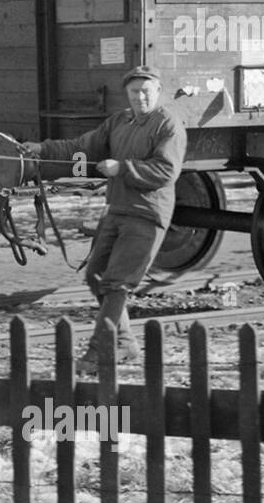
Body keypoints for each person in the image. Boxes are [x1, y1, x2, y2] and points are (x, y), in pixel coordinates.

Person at [22, 66, 187, 375]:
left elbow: (166, 171)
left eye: (146, 90)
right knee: (96, 275)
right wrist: (42, 149)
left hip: (148, 213)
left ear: (158, 92)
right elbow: (81, 147)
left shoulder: (168, 124)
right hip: (117, 209)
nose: (140, 96)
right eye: (134, 91)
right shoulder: (120, 121)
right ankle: (124, 342)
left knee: (117, 283)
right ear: (126, 94)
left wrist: (122, 168)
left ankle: (100, 351)